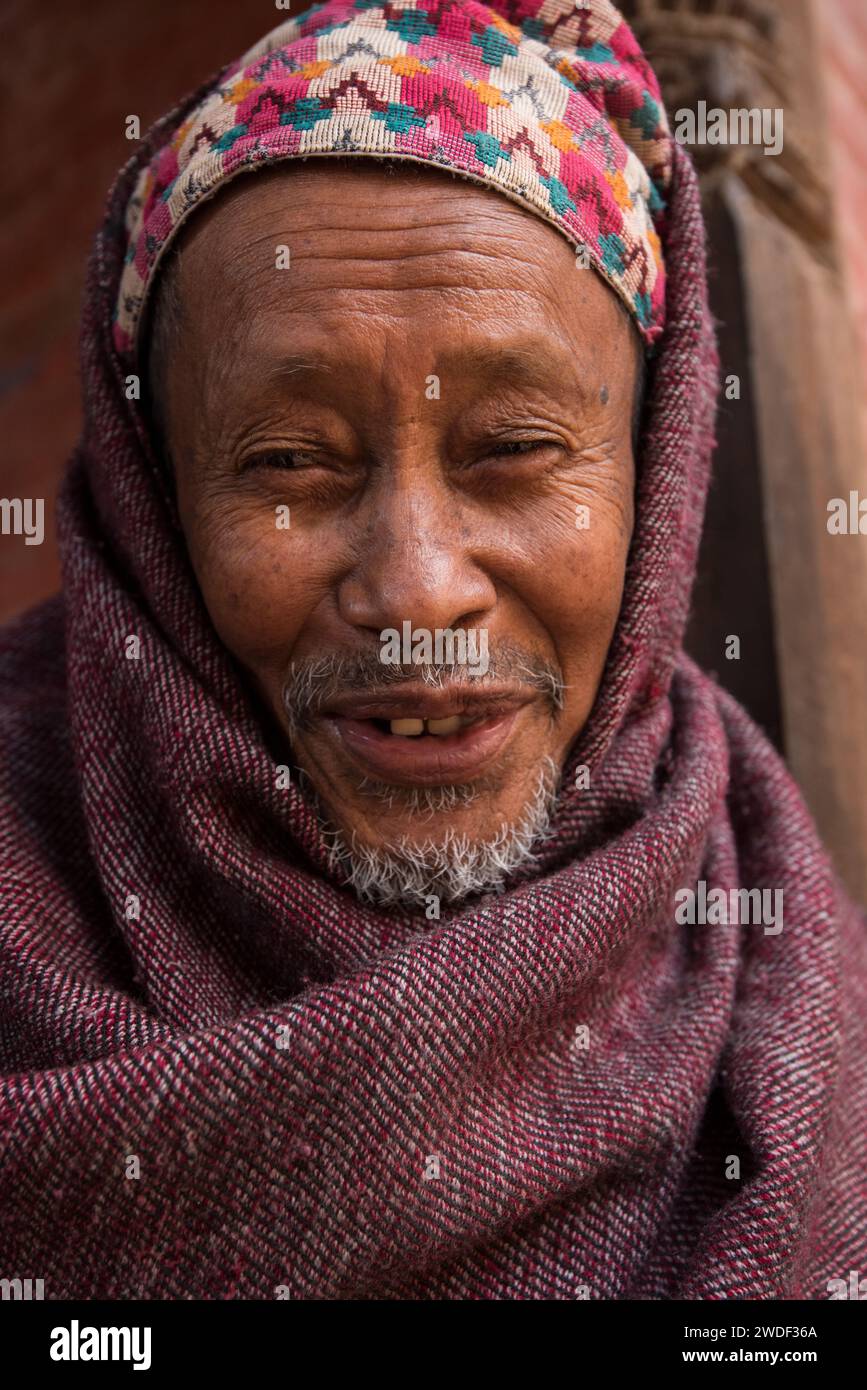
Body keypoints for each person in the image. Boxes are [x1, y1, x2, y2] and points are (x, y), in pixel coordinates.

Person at [1, 0, 864, 1300]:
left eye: (513, 450)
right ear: (155, 511)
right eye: (288, 463)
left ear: (657, 472)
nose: (415, 588)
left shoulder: (793, 985)